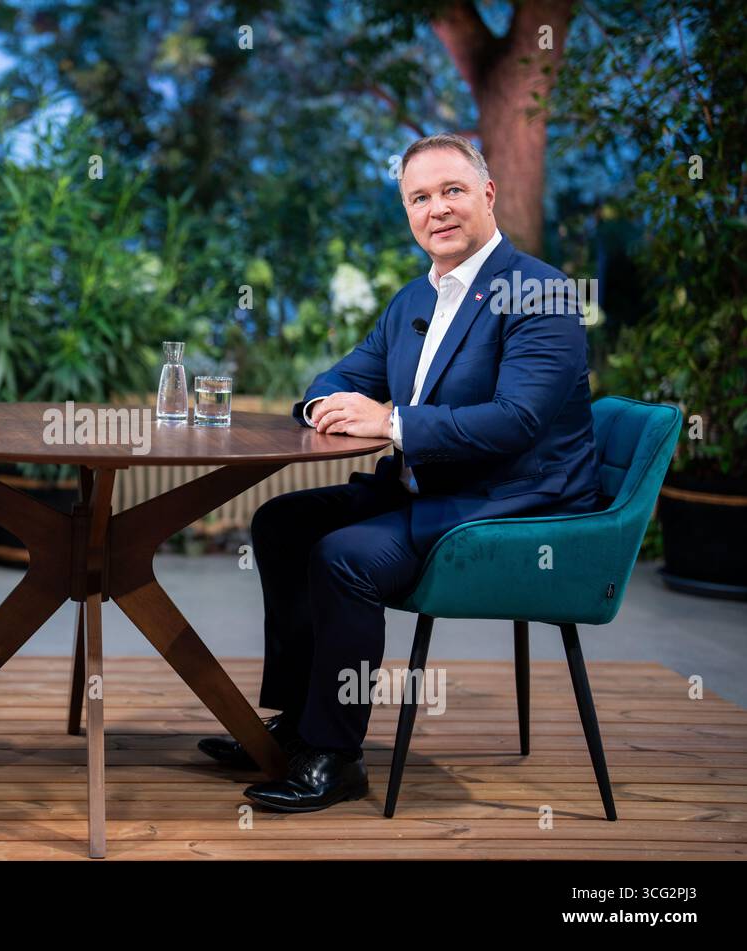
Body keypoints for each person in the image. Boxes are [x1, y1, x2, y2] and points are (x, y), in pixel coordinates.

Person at [197, 132, 600, 812]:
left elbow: (517, 420)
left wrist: (389, 422)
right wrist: (327, 401)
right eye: (419, 197)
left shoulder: (543, 293)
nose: (436, 208)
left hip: (512, 505)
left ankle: (334, 753)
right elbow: (342, 375)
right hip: (427, 488)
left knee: (343, 556)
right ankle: (296, 725)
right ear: (408, 212)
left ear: (488, 195)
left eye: (452, 191)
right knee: (281, 522)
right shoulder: (415, 299)